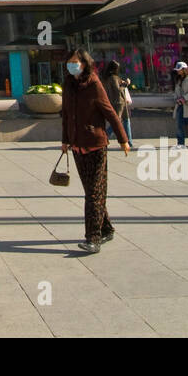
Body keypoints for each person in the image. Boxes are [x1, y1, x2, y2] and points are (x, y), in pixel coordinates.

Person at [62, 49, 130, 254]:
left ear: (85, 64)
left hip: (96, 144)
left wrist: (123, 139)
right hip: (76, 145)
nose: (72, 65)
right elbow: (65, 114)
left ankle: (93, 238)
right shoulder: (68, 84)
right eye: (70, 62)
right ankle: (106, 227)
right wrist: (65, 140)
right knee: (93, 191)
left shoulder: (94, 84)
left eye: (76, 62)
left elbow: (109, 111)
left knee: (93, 193)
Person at [102, 60, 133, 149]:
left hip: (114, 102)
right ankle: (105, 136)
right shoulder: (114, 78)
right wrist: (126, 83)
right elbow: (118, 89)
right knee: (119, 122)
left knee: (123, 121)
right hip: (119, 103)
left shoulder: (106, 78)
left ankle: (129, 141)